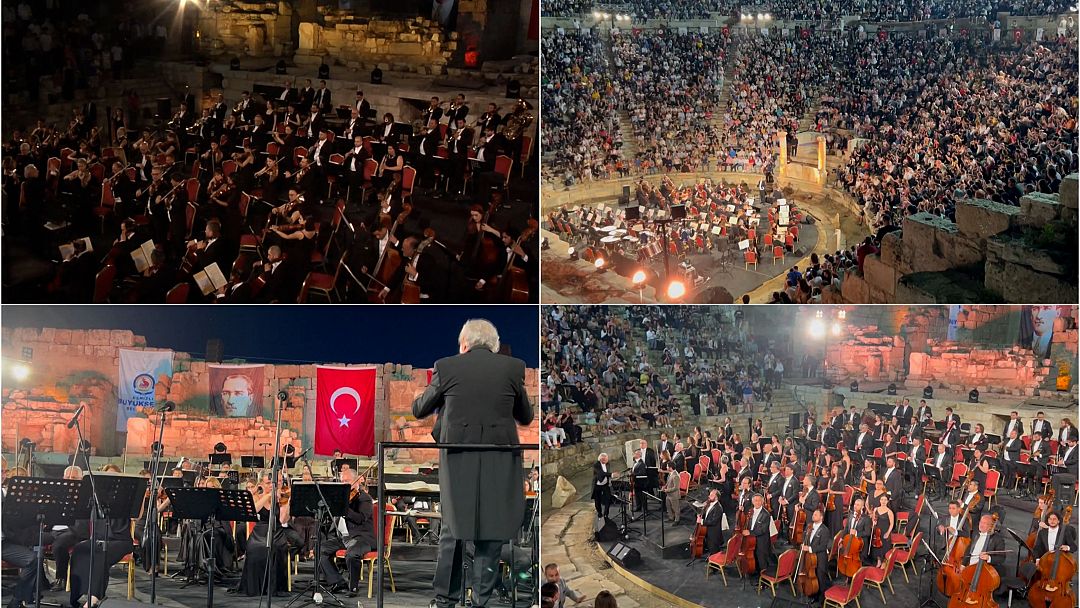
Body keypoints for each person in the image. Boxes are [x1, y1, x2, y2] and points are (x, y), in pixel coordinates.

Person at [412, 319, 533, 608]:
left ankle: (445, 599)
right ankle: (480, 600)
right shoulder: (513, 367)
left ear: (464, 344)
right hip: (499, 460)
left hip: (459, 461)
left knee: (453, 529)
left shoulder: (446, 366)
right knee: (490, 533)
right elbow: (525, 415)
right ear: (493, 345)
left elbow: (419, 409)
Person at [318, 468, 374, 597]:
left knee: (352, 554)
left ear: (356, 481)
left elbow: (360, 519)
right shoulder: (343, 497)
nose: (344, 484)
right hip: (344, 538)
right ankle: (337, 582)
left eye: (347, 481)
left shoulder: (364, 499)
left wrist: (344, 508)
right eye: (342, 481)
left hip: (362, 538)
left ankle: (353, 587)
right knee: (320, 549)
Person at [801, 507, 831, 602]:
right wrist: (803, 543)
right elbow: (804, 537)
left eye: (815, 515)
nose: (813, 516)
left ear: (821, 517)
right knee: (811, 576)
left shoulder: (825, 530)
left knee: (820, 578)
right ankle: (813, 593)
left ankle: (822, 599)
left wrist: (809, 548)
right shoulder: (809, 526)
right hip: (809, 557)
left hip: (820, 558)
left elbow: (823, 546)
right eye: (813, 514)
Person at [592, 453, 614, 519]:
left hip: (605, 485)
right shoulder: (596, 465)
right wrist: (611, 475)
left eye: (606, 459)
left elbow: (606, 472)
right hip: (597, 485)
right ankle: (599, 513)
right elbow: (601, 473)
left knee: (608, 499)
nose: (605, 461)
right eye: (603, 459)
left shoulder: (608, 464)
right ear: (600, 459)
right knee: (597, 501)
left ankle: (606, 514)